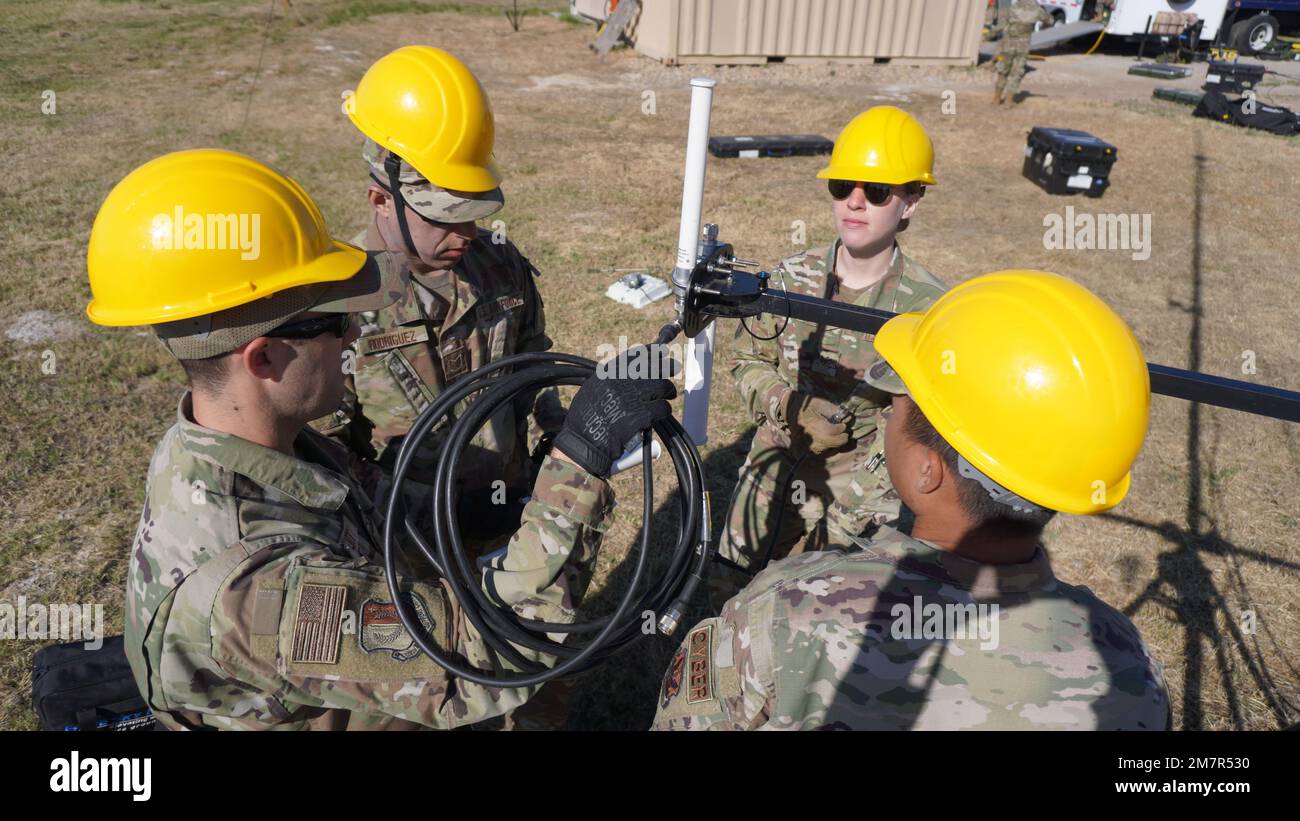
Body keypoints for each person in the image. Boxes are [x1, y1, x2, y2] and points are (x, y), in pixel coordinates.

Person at [86, 148, 674, 729]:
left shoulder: (248, 450)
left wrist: (476, 512)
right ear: (262, 357)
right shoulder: (258, 594)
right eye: (333, 322)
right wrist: (582, 460)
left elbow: (373, 506)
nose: (351, 339)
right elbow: (487, 659)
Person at [655, 270, 1172, 730]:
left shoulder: (783, 614)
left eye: (897, 404)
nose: (887, 415)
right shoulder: (1126, 667)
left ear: (927, 470)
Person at [313, 46, 566, 543]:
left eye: (472, 214)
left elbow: (533, 363)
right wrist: (413, 512)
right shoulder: (337, 303)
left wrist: (563, 439)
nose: (467, 233)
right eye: (446, 217)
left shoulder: (500, 264)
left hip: (506, 512)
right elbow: (324, 449)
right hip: (405, 543)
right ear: (381, 200)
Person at [712, 106, 946, 609]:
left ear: (911, 203)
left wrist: (855, 506)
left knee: (817, 616)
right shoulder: (791, 278)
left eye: (877, 191)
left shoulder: (928, 308)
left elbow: (924, 421)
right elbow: (745, 362)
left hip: (858, 496)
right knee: (730, 595)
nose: (855, 203)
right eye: (842, 187)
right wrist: (788, 405)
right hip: (769, 471)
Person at [992, 0, 1054, 105]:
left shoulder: (1014, 7)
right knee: (1016, 72)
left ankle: (996, 99)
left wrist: (990, 34)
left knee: (1003, 70)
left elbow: (1002, 24)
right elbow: (1050, 21)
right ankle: (1009, 101)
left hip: (1008, 44)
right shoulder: (1037, 9)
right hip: (1023, 46)